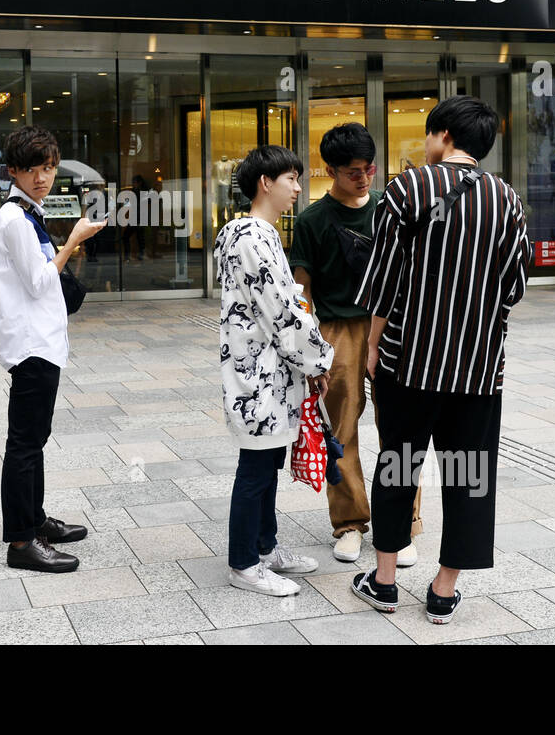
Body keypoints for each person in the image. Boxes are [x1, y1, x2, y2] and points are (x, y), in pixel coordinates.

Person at [350, 96, 531, 624]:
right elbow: (514, 288)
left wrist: (370, 347)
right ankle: (444, 589)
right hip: (477, 368)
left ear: (444, 136)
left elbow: (382, 280)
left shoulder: (407, 188)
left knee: (398, 464)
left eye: (430, 134)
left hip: (408, 362)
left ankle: (384, 581)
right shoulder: (507, 200)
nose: (426, 143)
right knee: (469, 470)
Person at [289, 123, 423, 565]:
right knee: (340, 432)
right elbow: (301, 288)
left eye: (369, 168)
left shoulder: (390, 210)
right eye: (352, 172)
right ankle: (348, 524)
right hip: (337, 329)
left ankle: (402, 526)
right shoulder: (312, 219)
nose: (363, 177)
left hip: (390, 325)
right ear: (329, 171)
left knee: (401, 429)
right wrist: (309, 346)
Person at [215, 144, 334, 596]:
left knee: (266, 464)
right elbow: (282, 312)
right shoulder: (251, 238)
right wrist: (320, 358)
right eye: (291, 179)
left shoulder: (256, 234)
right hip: (258, 375)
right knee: (256, 467)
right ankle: (244, 562)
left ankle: (265, 548)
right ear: (265, 183)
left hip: (267, 372)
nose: (298, 189)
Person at [0, 125, 106, 574]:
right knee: (24, 443)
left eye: (49, 167)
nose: (42, 177)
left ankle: (35, 521)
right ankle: (21, 543)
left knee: (34, 439)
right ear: (14, 171)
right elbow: (40, 282)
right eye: (32, 168)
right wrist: (73, 241)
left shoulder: (27, 213)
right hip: (31, 345)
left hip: (44, 342)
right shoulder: (14, 219)